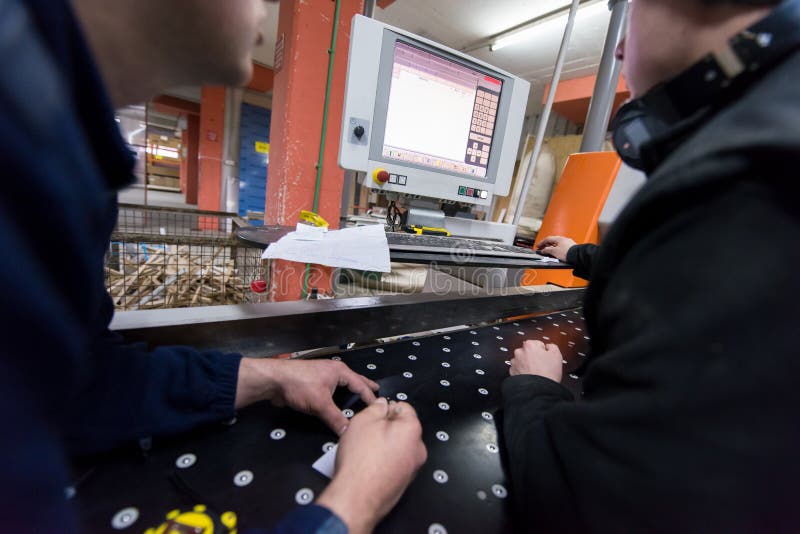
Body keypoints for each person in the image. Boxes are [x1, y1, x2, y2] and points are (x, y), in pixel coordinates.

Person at [0, 0, 425, 531]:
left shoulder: (60, 146)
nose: (267, 6)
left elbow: (80, 387)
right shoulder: (19, 147)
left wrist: (271, 377)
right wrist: (356, 499)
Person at [503, 0, 799, 531]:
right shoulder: (774, 119)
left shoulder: (746, 182)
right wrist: (576, 254)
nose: (619, 46)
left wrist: (534, 390)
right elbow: (693, 272)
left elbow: (593, 500)